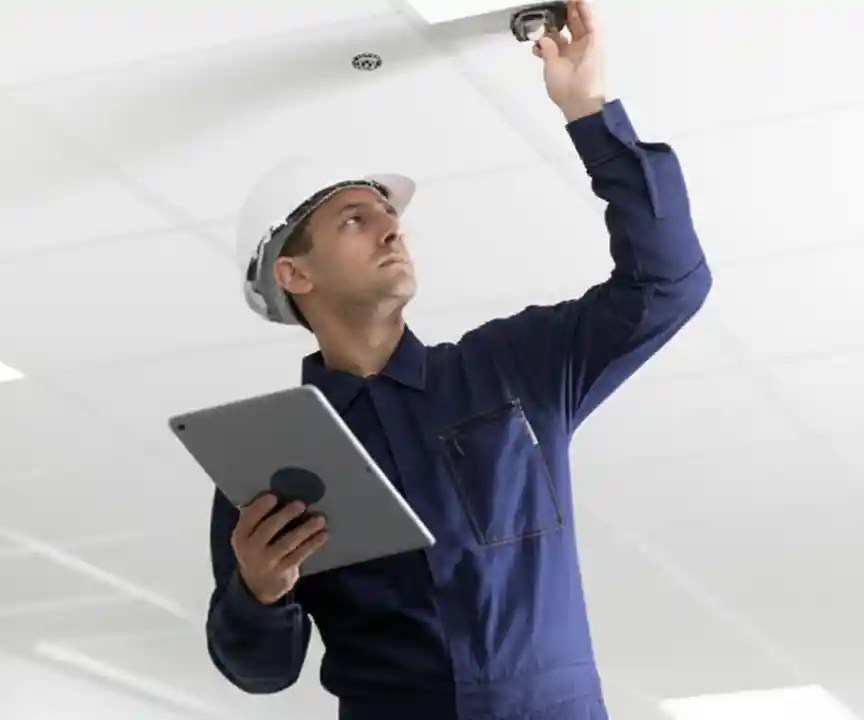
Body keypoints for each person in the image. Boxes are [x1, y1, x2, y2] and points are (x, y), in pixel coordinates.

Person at [206, 2, 712, 718]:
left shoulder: (515, 370)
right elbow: (259, 673)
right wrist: (259, 592)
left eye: (390, 214)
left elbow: (669, 284)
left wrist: (588, 112)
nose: (391, 227)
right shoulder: (270, 468)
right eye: (356, 217)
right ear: (295, 275)